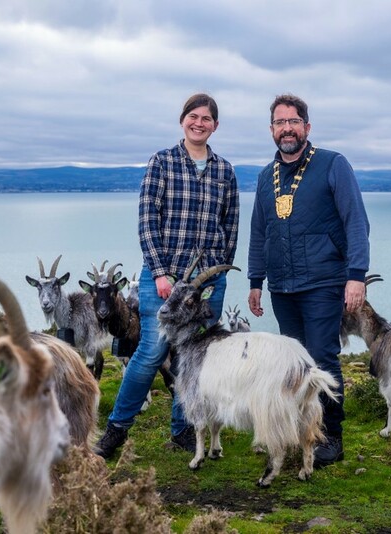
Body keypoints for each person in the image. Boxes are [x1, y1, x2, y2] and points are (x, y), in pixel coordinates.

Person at [95, 93, 239, 459]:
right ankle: (116, 430)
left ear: (215, 126)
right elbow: (147, 221)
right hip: (163, 277)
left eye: (207, 119)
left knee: (193, 355)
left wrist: (220, 270)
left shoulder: (225, 171)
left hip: (207, 284)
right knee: (151, 352)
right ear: (183, 121)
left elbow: (231, 225)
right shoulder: (161, 162)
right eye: (193, 116)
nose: (199, 123)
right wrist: (160, 273)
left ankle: (183, 429)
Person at [247, 94, 370, 468]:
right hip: (283, 287)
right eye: (280, 123)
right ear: (271, 130)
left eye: (294, 121)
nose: (287, 128)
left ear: (307, 127)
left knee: (323, 358)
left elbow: (356, 222)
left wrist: (356, 276)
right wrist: (256, 280)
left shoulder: (333, 164)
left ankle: (331, 436)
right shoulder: (265, 177)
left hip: (323, 282)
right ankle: (303, 430)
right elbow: (259, 231)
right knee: (294, 365)